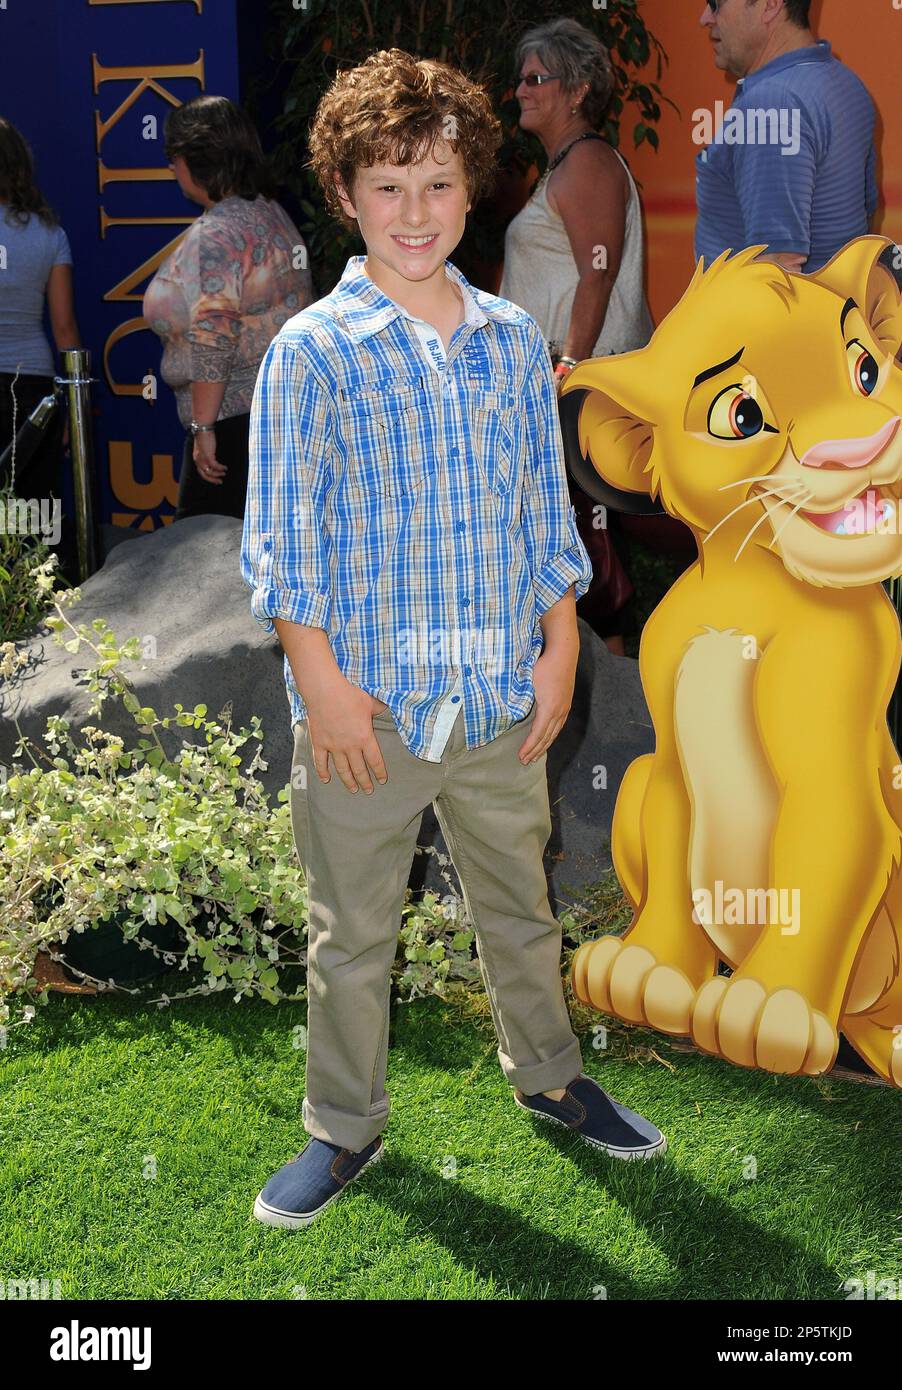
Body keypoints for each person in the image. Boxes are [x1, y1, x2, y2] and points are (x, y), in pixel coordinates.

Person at [240, 47, 667, 1232]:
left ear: (471, 186)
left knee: (518, 907)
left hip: (495, 701)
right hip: (364, 710)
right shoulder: (310, 354)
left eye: (434, 182)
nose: (413, 211)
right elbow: (282, 547)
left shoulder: (507, 346)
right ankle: (342, 1124)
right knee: (351, 933)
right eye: (386, 186)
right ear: (344, 194)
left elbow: (543, 516)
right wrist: (321, 690)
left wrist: (562, 647)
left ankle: (549, 1075)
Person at [500, 18, 654, 656]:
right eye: (520, 79)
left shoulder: (587, 161)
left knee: (588, 554)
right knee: (581, 550)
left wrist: (568, 371)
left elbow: (598, 275)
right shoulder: (566, 164)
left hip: (584, 389)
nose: (521, 91)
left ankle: (611, 714)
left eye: (536, 78)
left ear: (579, 89)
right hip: (573, 387)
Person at [143, 95, 314, 522]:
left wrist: (204, 429)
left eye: (173, 155)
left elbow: (214, 335)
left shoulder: (217, 232)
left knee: (200, 563)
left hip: (231, 426)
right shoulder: (271, 213)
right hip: (276, 417)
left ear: (197, 158)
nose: (170, 167)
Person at [695, 0, 878, 275]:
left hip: (764, 315)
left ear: (769, 5)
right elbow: (865, 218)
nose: (705, 18)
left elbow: (778, 269)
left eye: (716, 3)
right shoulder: (845, 82)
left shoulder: (771, 104)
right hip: (836, 311)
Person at [0, 116, 81, 572]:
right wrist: (72, 408)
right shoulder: (49, 234)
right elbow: (65, 327)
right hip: (33, 390)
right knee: (33, 513)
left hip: (30, 387)